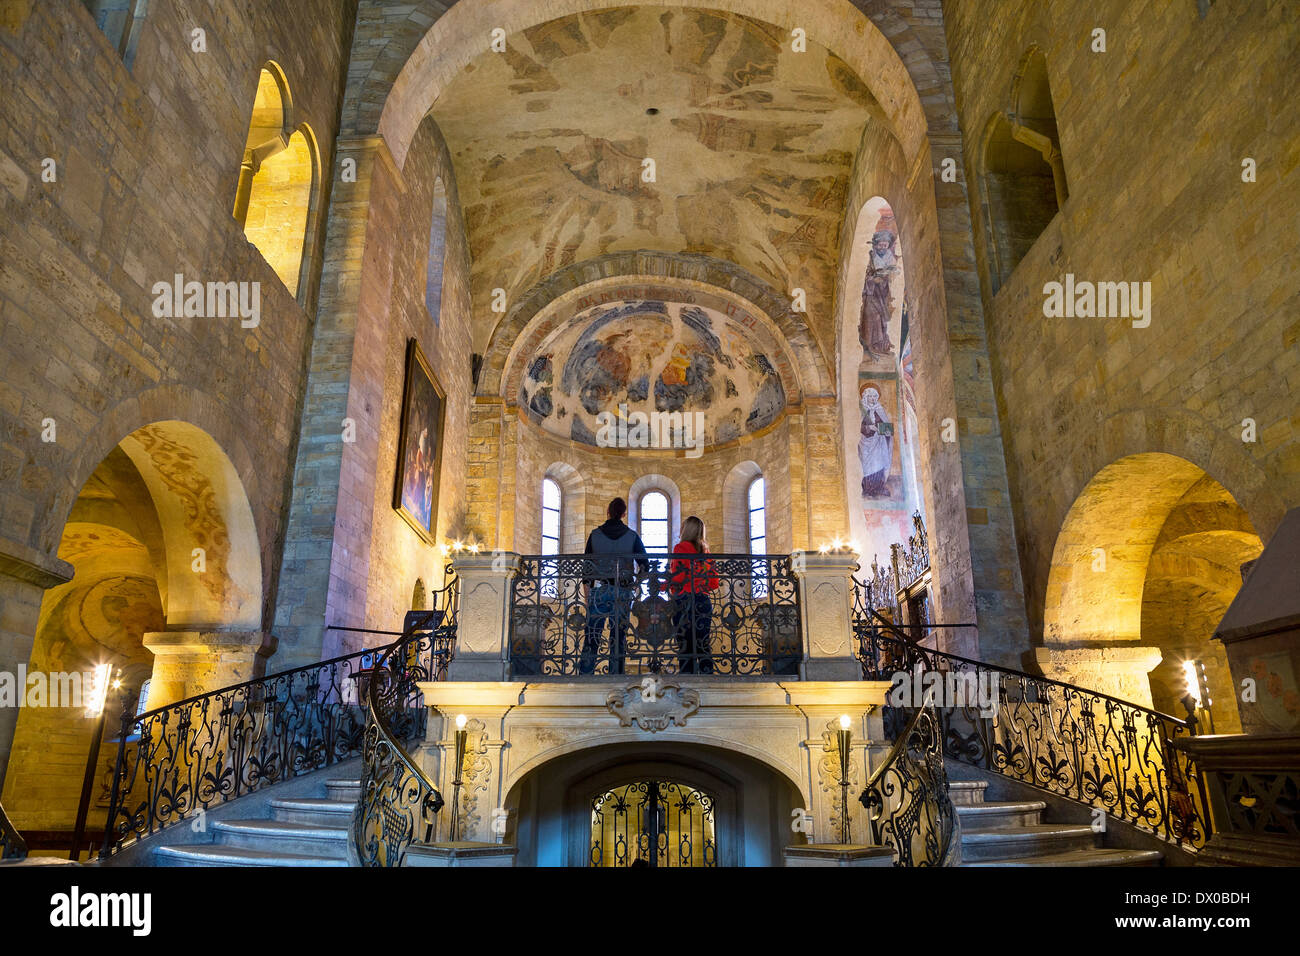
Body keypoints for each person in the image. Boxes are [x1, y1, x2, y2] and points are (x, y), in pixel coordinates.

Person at [580, 497, 647, 674]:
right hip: (623, 591)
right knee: (618, 637)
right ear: (624, 514)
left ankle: (585, 675)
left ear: (608, 512)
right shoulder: (632, 536)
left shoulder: (595, 535)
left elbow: (586, 571)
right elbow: (645, 565)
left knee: (592, 636)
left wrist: (587, 598)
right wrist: (635, 585)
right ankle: (615, 675)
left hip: (599, 590)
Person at [669, 516, 719, 674]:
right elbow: (714, 583)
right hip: (703, 601)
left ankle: (687, 682)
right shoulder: (706, 552)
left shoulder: (680, 548)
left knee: (685, 646)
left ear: (686, 530)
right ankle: (707, 680)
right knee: (703, 644)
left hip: (683, 601)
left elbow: (678, 577)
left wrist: (668, 584)